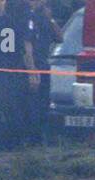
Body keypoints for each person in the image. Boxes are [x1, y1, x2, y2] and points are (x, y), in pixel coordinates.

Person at [0, 0, 27, 150]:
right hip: (11, 67)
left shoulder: (4, 21)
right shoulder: (14, 19)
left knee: (1, 104)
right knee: (7, 104)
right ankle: (8, 140)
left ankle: (5, 140)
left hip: (1, 68)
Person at [21, 0, 62, 145]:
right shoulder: (28, 17)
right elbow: (27, 44)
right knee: (33, 104)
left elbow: (59, 37)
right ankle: (32, 139)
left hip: (45, 65)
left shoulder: (45, 18)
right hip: (35, 65)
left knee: (44, 103)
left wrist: (50, 19)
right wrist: (32, 70)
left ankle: (41, 138)